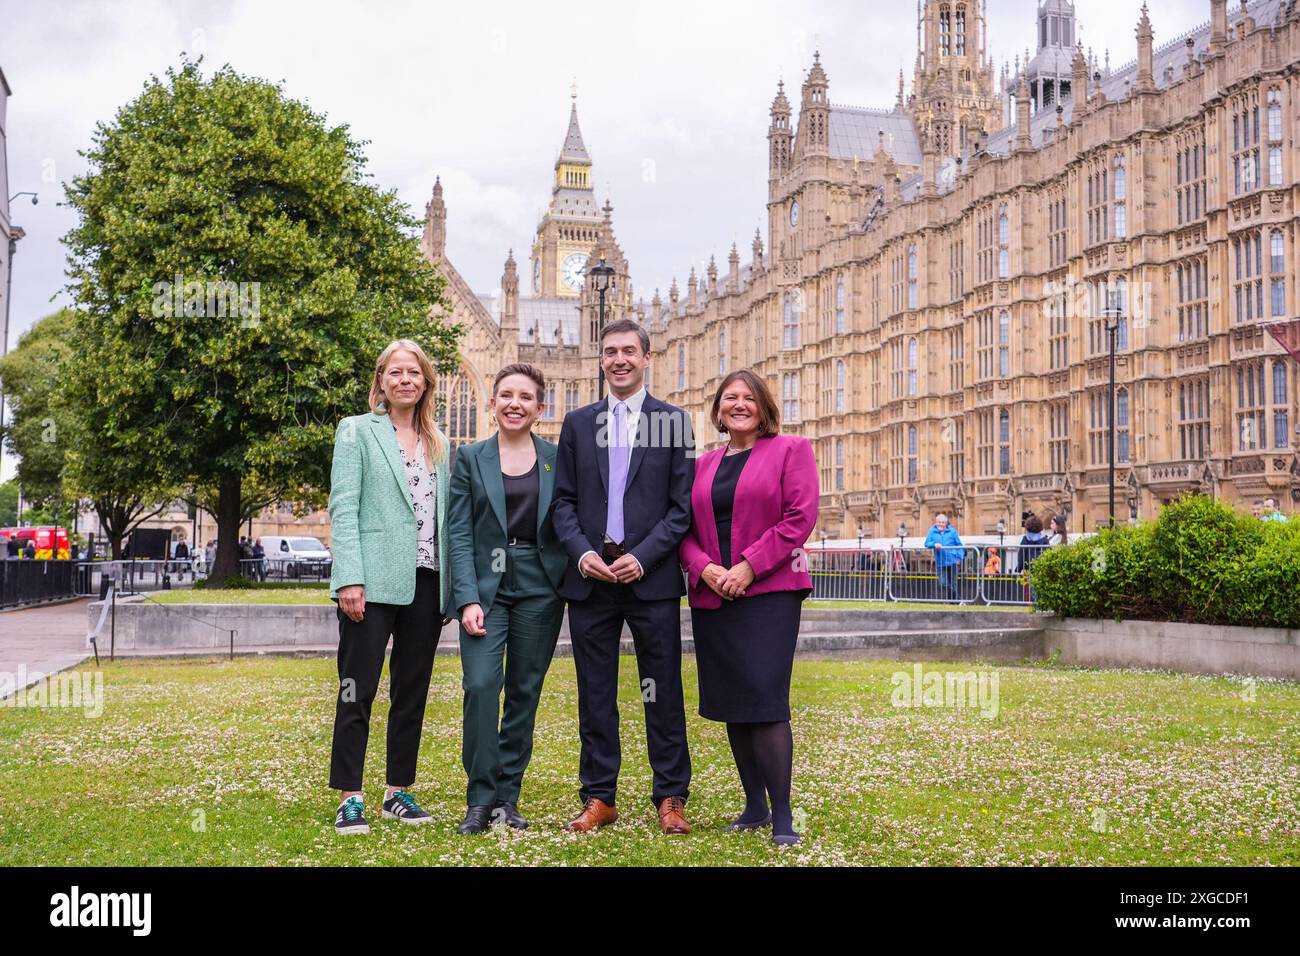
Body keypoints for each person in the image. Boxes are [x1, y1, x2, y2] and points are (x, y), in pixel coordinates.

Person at [551, 318, 695, 835]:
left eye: (629, 351)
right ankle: (599, 797)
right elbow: (563, 503)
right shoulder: (578, 423)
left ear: (646, 358)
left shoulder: (674, 422)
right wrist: (582, 552)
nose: (619, 360)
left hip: (649, 580)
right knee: (596, 693)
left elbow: (681, 510)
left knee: (662, 690)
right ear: (601, 360)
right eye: (610, 352)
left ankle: (671, 796)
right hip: (591, 580)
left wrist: (647, 556)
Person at [679, 369, 818, 847]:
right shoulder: (702, 466)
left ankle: (782, 814)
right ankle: (754, 806)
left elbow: (800, 517)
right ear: (717, 410)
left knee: (765, 698)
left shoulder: (790, 450)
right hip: (713, 594)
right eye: (729, 399)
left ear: (763, 407)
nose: (738, 405)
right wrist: (706, 569)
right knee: (734, 702)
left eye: (747, 398)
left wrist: (748, 567)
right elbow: (684, 530)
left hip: (769, 593)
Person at [326, 339, 453, 836]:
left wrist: (450, 587)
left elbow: (446, 520)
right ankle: (349, 795)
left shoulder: (439, 443)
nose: (405, 380)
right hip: (371, 581)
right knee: (357, 689)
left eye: (414, 373)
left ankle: (398, 790)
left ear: (426, 382)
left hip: (426, 580)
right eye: (396, 372)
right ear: (381, 381)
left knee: (412, 691)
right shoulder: (357, 431)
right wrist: (349, 578)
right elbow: (344, 507)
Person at [447, 363, 567, 835]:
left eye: (525, 397)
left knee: (524, 691)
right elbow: (458, 531)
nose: (514, 403)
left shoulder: (558, 459)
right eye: (506, 395)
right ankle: (479, 796)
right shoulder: (470, 459)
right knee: (480, 685)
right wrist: (466, 597)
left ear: (540, 408)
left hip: (541, 585)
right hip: (485, 586)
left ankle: (506, 799)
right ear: (492, 403)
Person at [924, 513, 963, 600]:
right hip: (941, 561)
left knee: (953, 583)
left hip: (953, 561)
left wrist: (959, 558)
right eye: (939, 522)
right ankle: (957, 599)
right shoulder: (931, 531)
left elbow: (960, 546)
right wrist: (934, 544)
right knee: (943, 582)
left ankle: (953, 601)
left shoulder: (953, 531)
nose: (941, 524)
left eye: (943, 522)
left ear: (946, 523)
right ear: (936, 522)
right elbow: (926, 543)